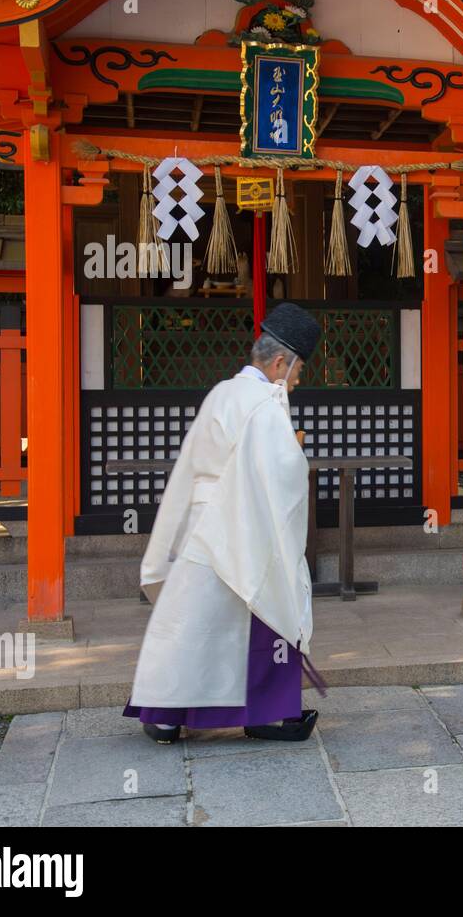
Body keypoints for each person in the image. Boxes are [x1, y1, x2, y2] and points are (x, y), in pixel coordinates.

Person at [123, 302, 325, 744]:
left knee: (193, 623)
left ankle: (164, 715)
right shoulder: (266, 402)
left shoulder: (220, 392)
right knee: (266, 612)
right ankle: (266, 713)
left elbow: (193, 462)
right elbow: (279, 473)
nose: (297, 380)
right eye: (297, 370)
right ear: (279, 363)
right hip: (243, 525)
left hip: (202, 527)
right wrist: (298, 454)